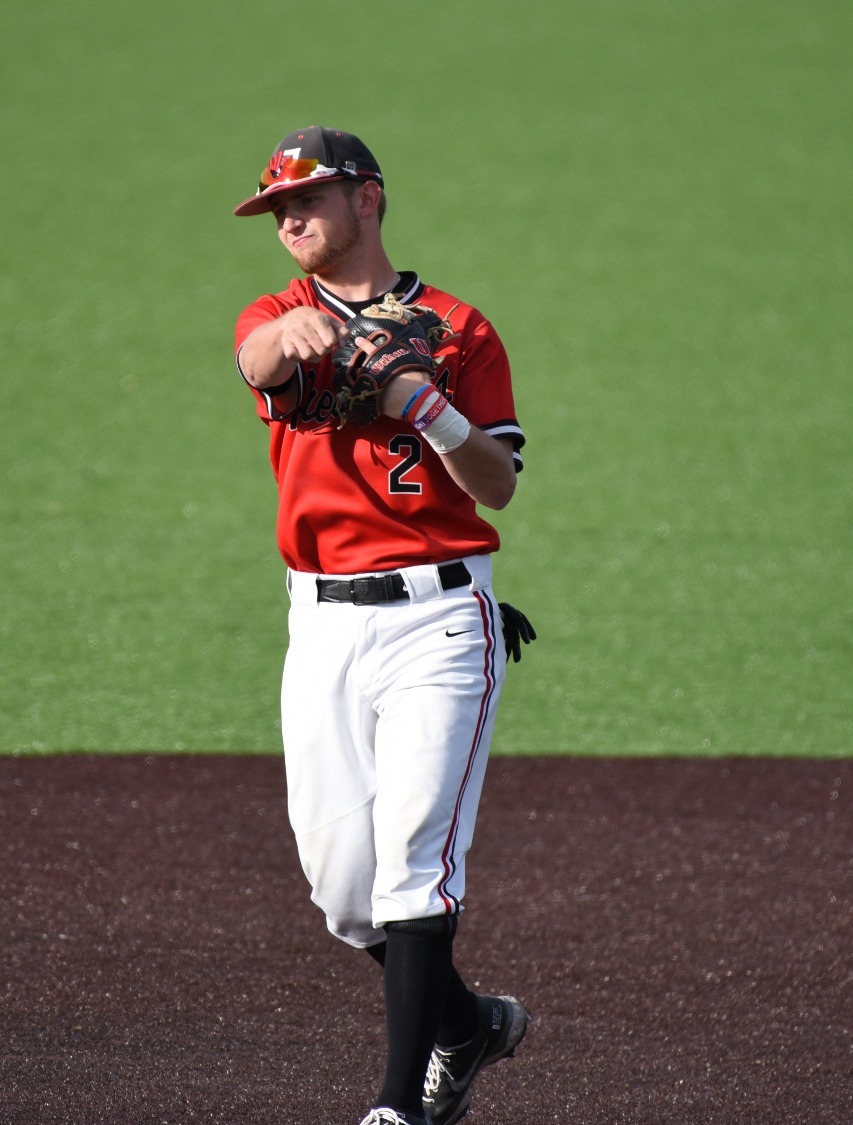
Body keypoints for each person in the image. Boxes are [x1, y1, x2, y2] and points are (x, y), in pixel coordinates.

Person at [230, 126, 533, 1125]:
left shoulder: (457, 327)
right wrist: (293, 340)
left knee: (412, 862)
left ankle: (397, 1105)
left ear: (369, 199)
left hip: (438, 622)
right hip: (319, 626)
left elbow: (498, 481)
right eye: (278, 208)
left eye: (309, 199)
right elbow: (254, 359)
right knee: (343, 895)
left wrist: (424, 403)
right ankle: (467, 1025)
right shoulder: (278, 312)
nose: (292, 219)